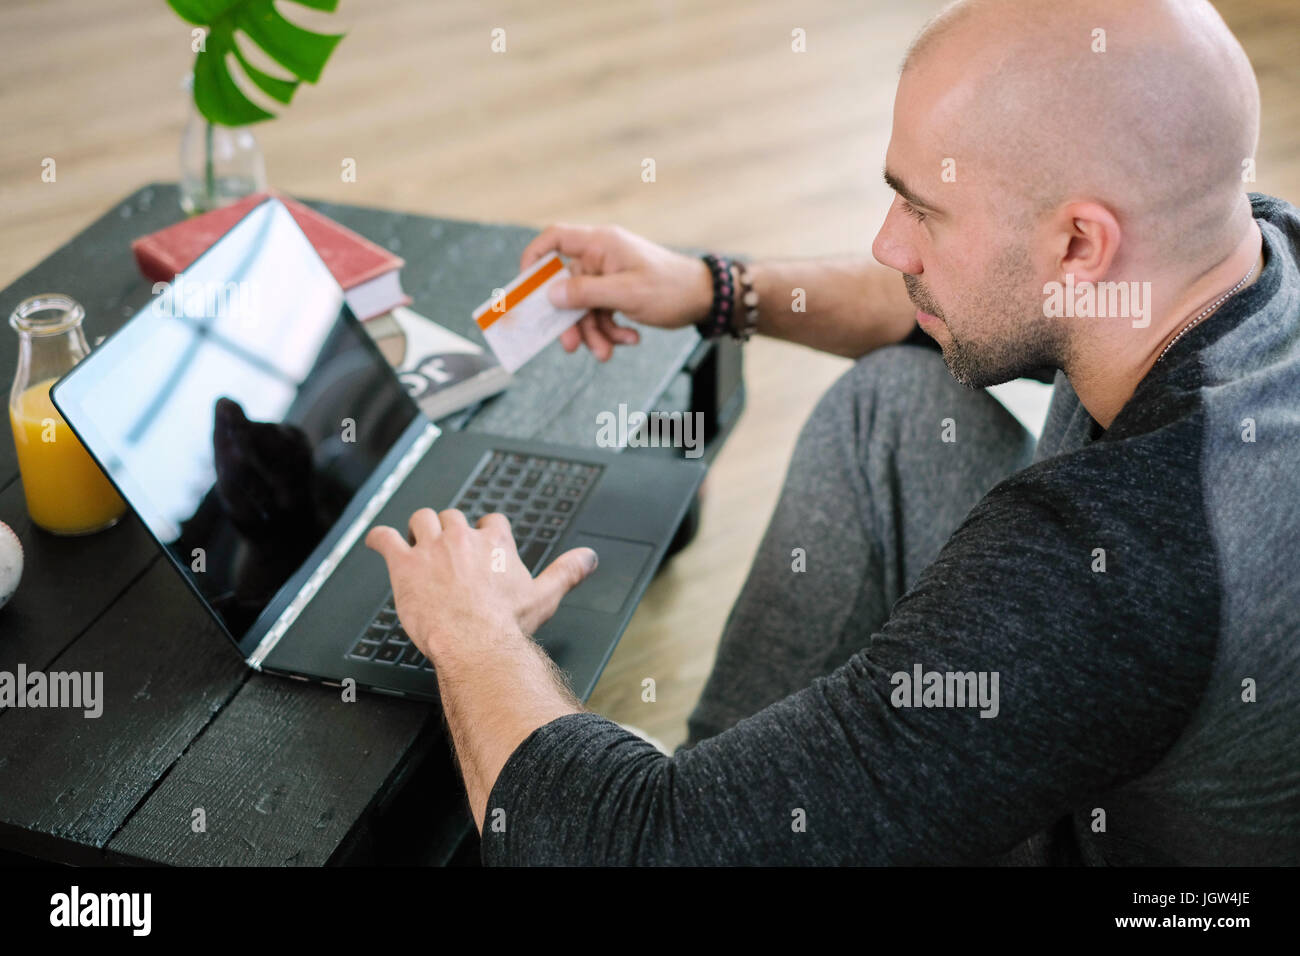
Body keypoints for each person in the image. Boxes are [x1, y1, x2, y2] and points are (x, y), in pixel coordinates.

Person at [365, 0, 1300, 864]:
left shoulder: (1113, 569)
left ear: (1080, 245)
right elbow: (952, 307)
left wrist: (472, 630)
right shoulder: (1236, 249)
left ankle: (713, 820)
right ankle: (727, 791)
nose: (890, 245)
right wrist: (715, 290)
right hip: (1125, 732)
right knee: (895, 407)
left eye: (925, 211)